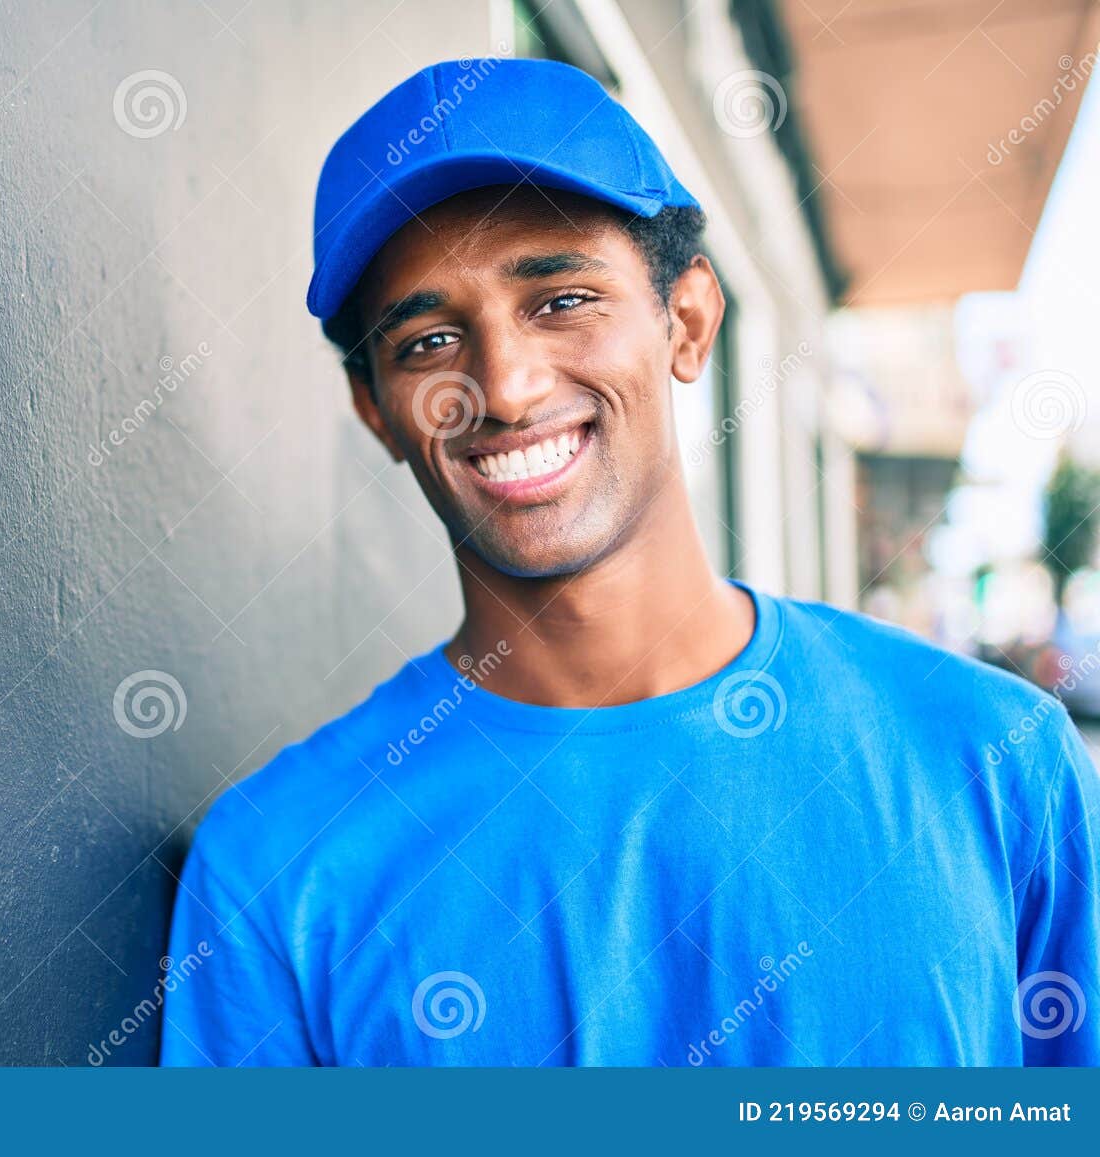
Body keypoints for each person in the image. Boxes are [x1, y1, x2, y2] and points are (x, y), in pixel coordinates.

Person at [160, 57, 1099, 1066]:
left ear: (685, 321)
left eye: (561, 300)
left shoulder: (994, 758)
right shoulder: (276, 869)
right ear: (377, 409)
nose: (507, 387)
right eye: (430, 337)